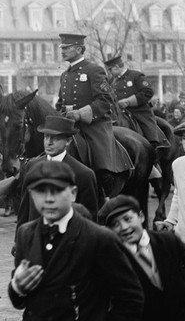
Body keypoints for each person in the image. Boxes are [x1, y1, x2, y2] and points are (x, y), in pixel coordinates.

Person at [9, 161, 144, 321]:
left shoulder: (98, 238)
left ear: (72, 193)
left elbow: (131, 298)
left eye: (56, 190)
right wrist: (17, 287)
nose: (48, 199)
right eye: (40, 191)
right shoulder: (25, 234)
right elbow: (21, 301)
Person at [56, 33, 132, 199]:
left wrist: (80, 114)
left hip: (94, 126)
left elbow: (105, 100)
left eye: (66, 48)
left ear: (78, 49)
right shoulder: (64, 75)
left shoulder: (93, 70)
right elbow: (60, 102)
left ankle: (106, 194)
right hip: (69, 125)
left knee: (101, 164)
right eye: (62, 48)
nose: (62, 51)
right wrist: (58, 115)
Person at [15, 115, 101, 224]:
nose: (49, 142)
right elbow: (24, 212)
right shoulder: (31, 167)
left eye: (55, 138)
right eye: (46, 137)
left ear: (68, 141)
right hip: (36, 233)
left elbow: (89, 220)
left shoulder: (83, 174)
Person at [106, 55, 169, 150]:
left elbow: (148, 92)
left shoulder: (136, 76)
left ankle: (154, 146)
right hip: (119, 112)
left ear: (116, 67)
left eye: (110, 69)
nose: (109, 72)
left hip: (138, 111)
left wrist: (128, 101)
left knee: (148, 130)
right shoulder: (112, 81)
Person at [158, 118, 185, 248]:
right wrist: (170, 220)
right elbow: (177, 195)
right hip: (183, 239)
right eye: (184, 139)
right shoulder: (178, 164)